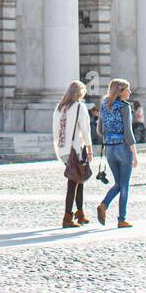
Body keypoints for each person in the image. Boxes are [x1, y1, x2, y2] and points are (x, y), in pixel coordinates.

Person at [96, 78, 137, 228]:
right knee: (124, 185)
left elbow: (100, 130)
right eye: (127, 89)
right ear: (120, 92)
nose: (130, 92)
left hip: (109, 148)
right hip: (123, 148)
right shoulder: (124, 107)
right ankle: (121, 219)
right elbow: (128, 132)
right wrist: (135, 153)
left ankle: (104, 205)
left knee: (118, 183)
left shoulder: (104, 106)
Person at [52, 79, 93, 227]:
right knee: (74, 183)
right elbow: (85, 129)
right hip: (76, 149)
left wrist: (60, 149)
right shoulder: (79, 107)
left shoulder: (59, 108)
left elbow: (55, 132)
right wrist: (89, 147)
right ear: (80, 93)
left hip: (63, 149)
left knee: (79, 180)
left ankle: (80, 213)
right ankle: (67, 217)